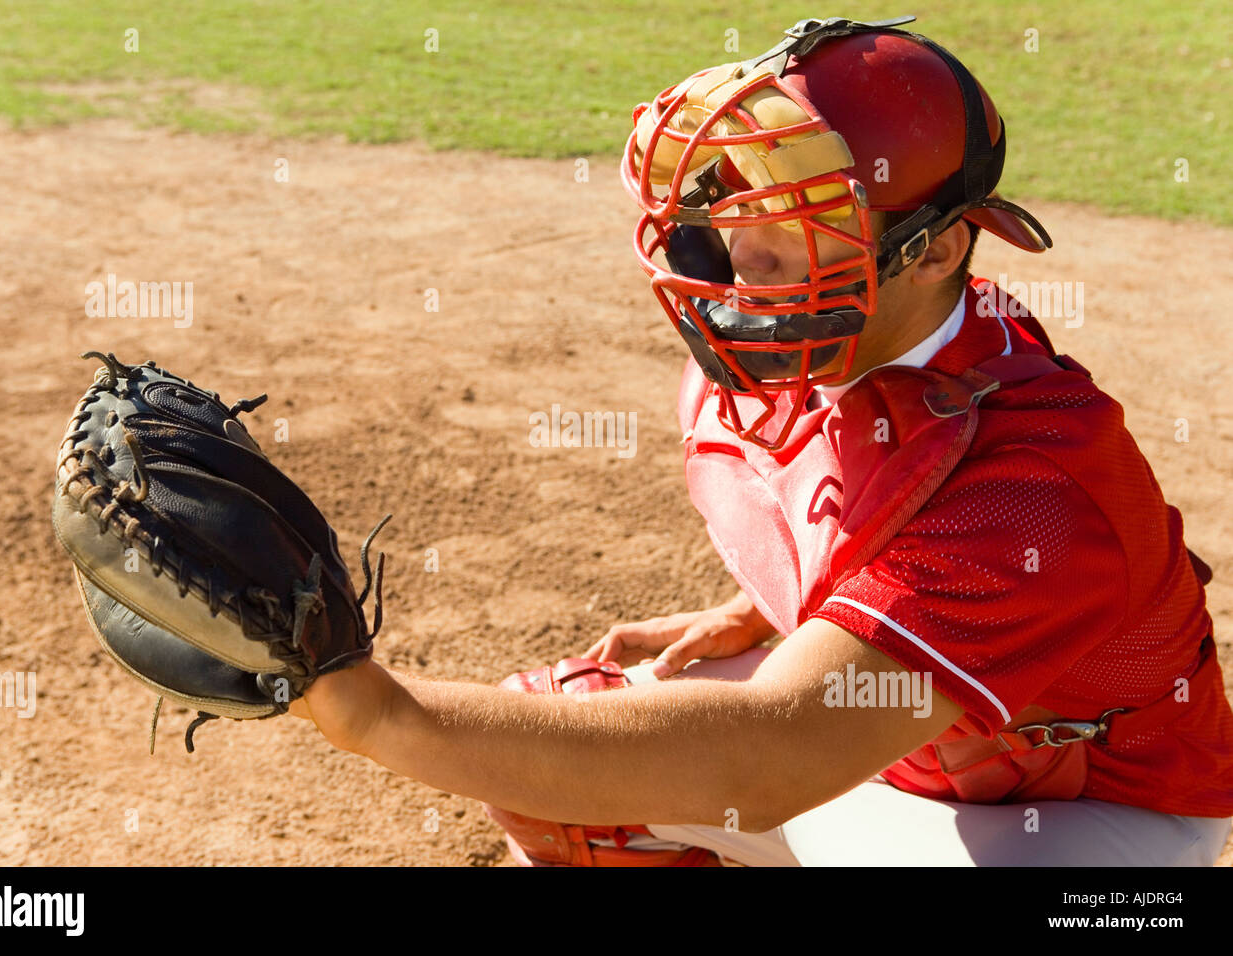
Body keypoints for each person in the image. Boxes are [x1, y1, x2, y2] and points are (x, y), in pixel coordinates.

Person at [289, 17, 1233, 866]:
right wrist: (784, 605)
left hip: (1098, 831)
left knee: (677, 761)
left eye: (800, 220)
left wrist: (378, 713)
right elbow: (872, 478)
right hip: (912, 751)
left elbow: (764, 753)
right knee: (561, 771)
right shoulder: (806, 352)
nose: (742, 256)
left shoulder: (1033, 489)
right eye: (736, 202)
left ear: (936, 251)